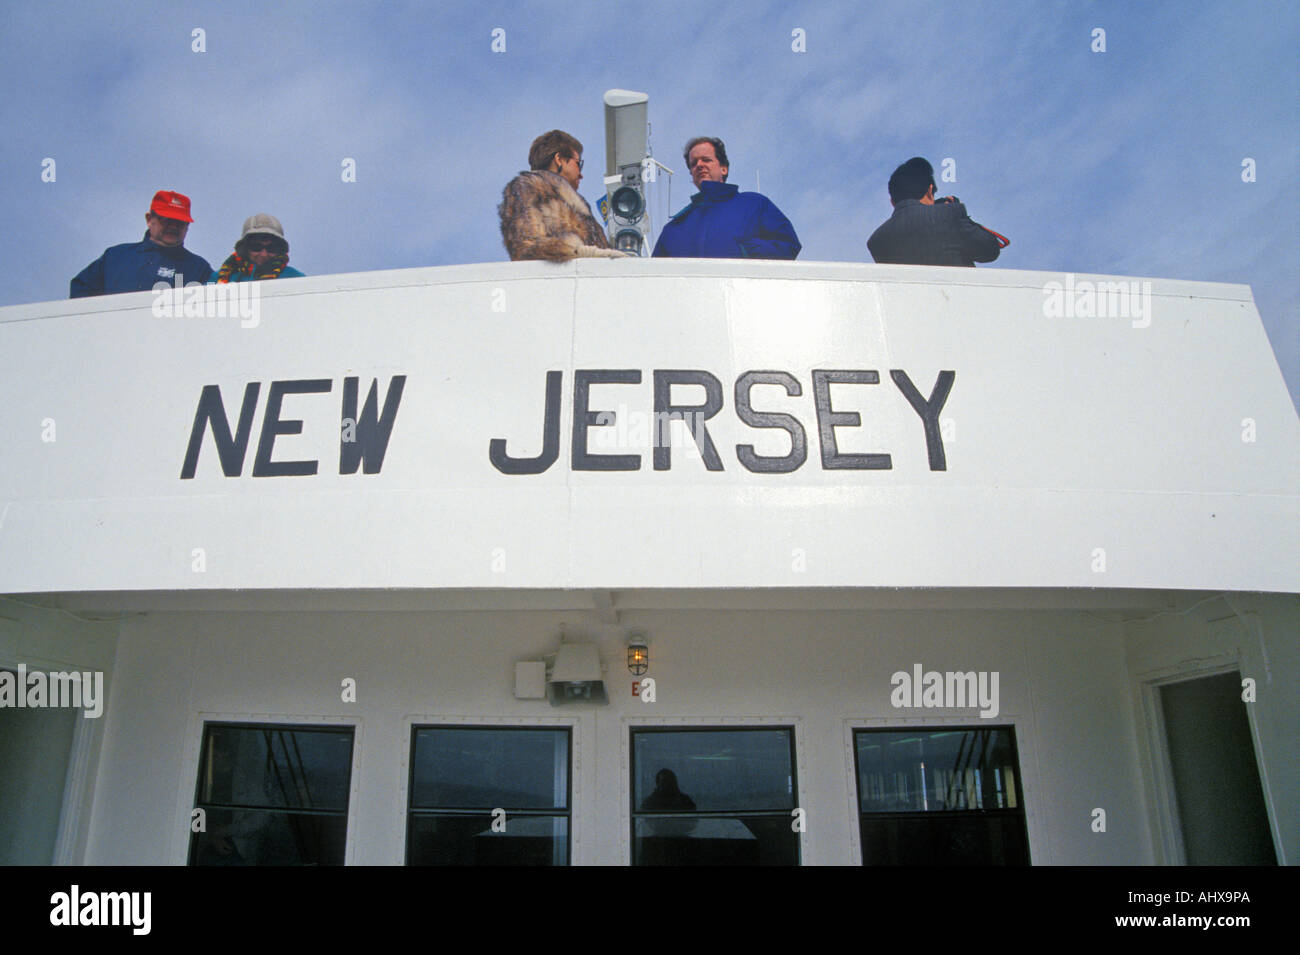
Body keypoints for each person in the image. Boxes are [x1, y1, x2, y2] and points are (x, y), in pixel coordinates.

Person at [651, 137, 800, 259]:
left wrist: (745, 250)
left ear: (724, 168)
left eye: (706, 160)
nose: (699, 165)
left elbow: (789, 245)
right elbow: (654, 276)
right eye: (693, 163)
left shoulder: (754, 205)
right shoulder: (674, 228)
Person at [499, 130, 626, 261]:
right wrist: (583, 252)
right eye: (578, 164)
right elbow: (527, 247)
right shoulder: (528, 187)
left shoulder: (580, 205)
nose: (581, 174)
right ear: (559, 160)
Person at [70, 190, 213, 297]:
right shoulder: (115, 256)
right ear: (149, 219)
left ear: (187, 226)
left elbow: (217, 304)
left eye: (179, 223)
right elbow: (80, 291)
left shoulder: (199, 269)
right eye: (167, 220)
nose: (173, 227)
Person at [867, 157, 1005, 267]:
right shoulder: (949, 215)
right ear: (929, 190)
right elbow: (990, 251)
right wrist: (962, 218)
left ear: (892, 201)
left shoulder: (877, 241)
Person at [211, 214, 305, 282]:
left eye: (271, 248)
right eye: (256, 247)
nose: (263, 254)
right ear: (245, 248)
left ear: (279, 250)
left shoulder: (295, 278)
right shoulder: (217, 278)